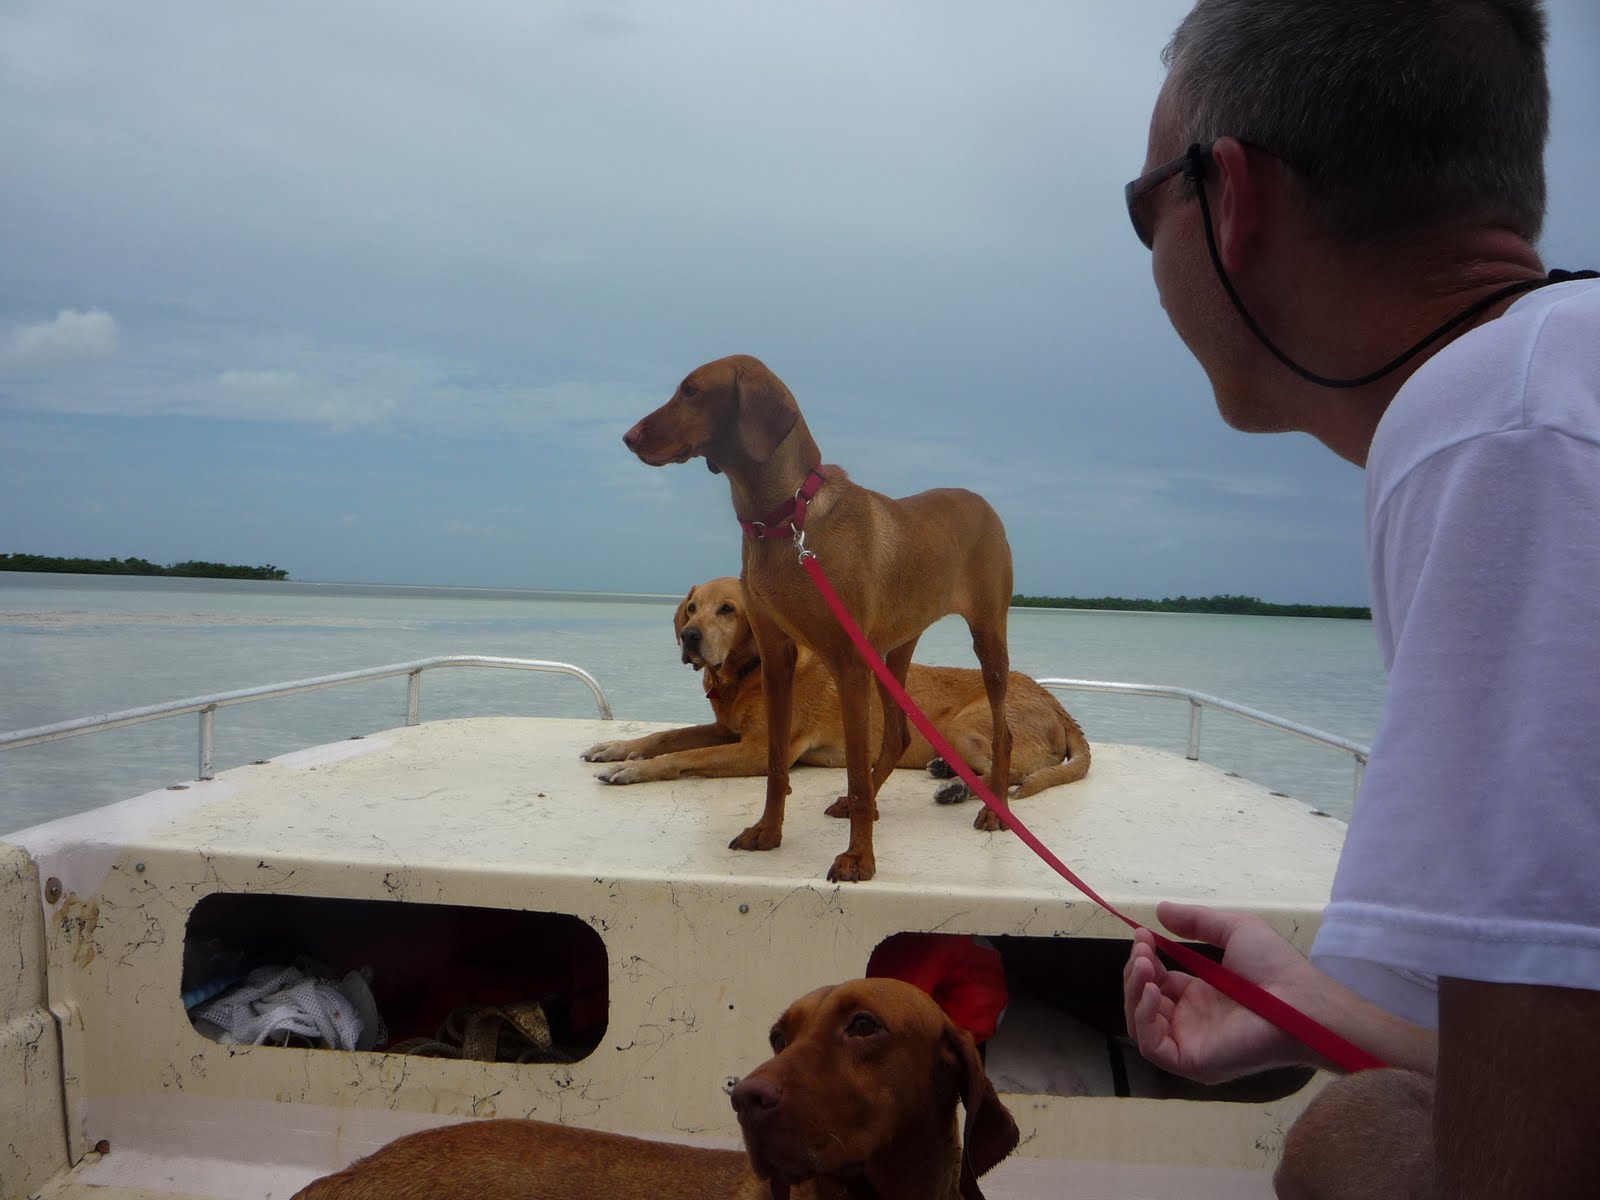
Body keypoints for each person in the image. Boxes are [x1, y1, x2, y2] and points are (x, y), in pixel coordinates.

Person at [1118, 1, 1600, 1196]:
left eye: (1145, 207)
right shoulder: (1555, 383)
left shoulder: (1504, 431)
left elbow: (1527, 1177)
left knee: (1349, 1138)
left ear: (1233, 199)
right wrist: (1313, 1005)